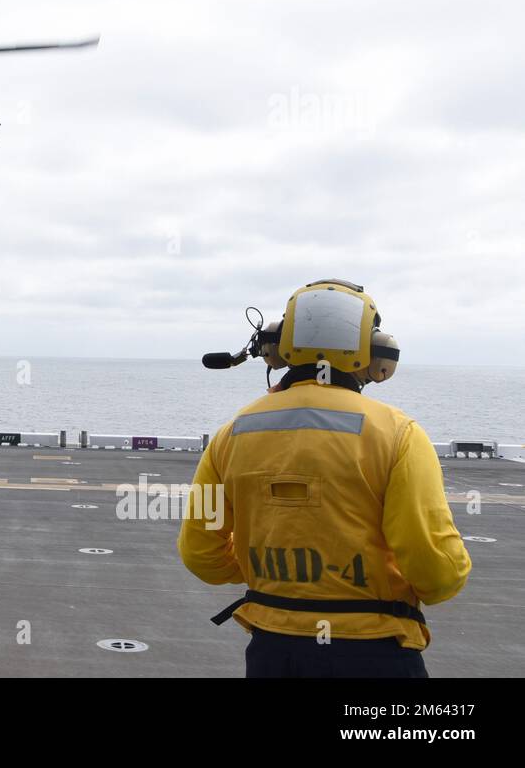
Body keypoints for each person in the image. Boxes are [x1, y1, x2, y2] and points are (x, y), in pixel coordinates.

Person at [178, 279, 472, 677]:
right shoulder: (399, 435)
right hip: (376, 653)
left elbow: (201, 553)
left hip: (273, 652)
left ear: (277, 350)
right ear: (375, 354)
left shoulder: (231, 436)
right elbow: (437, 574)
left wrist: (274, 573)